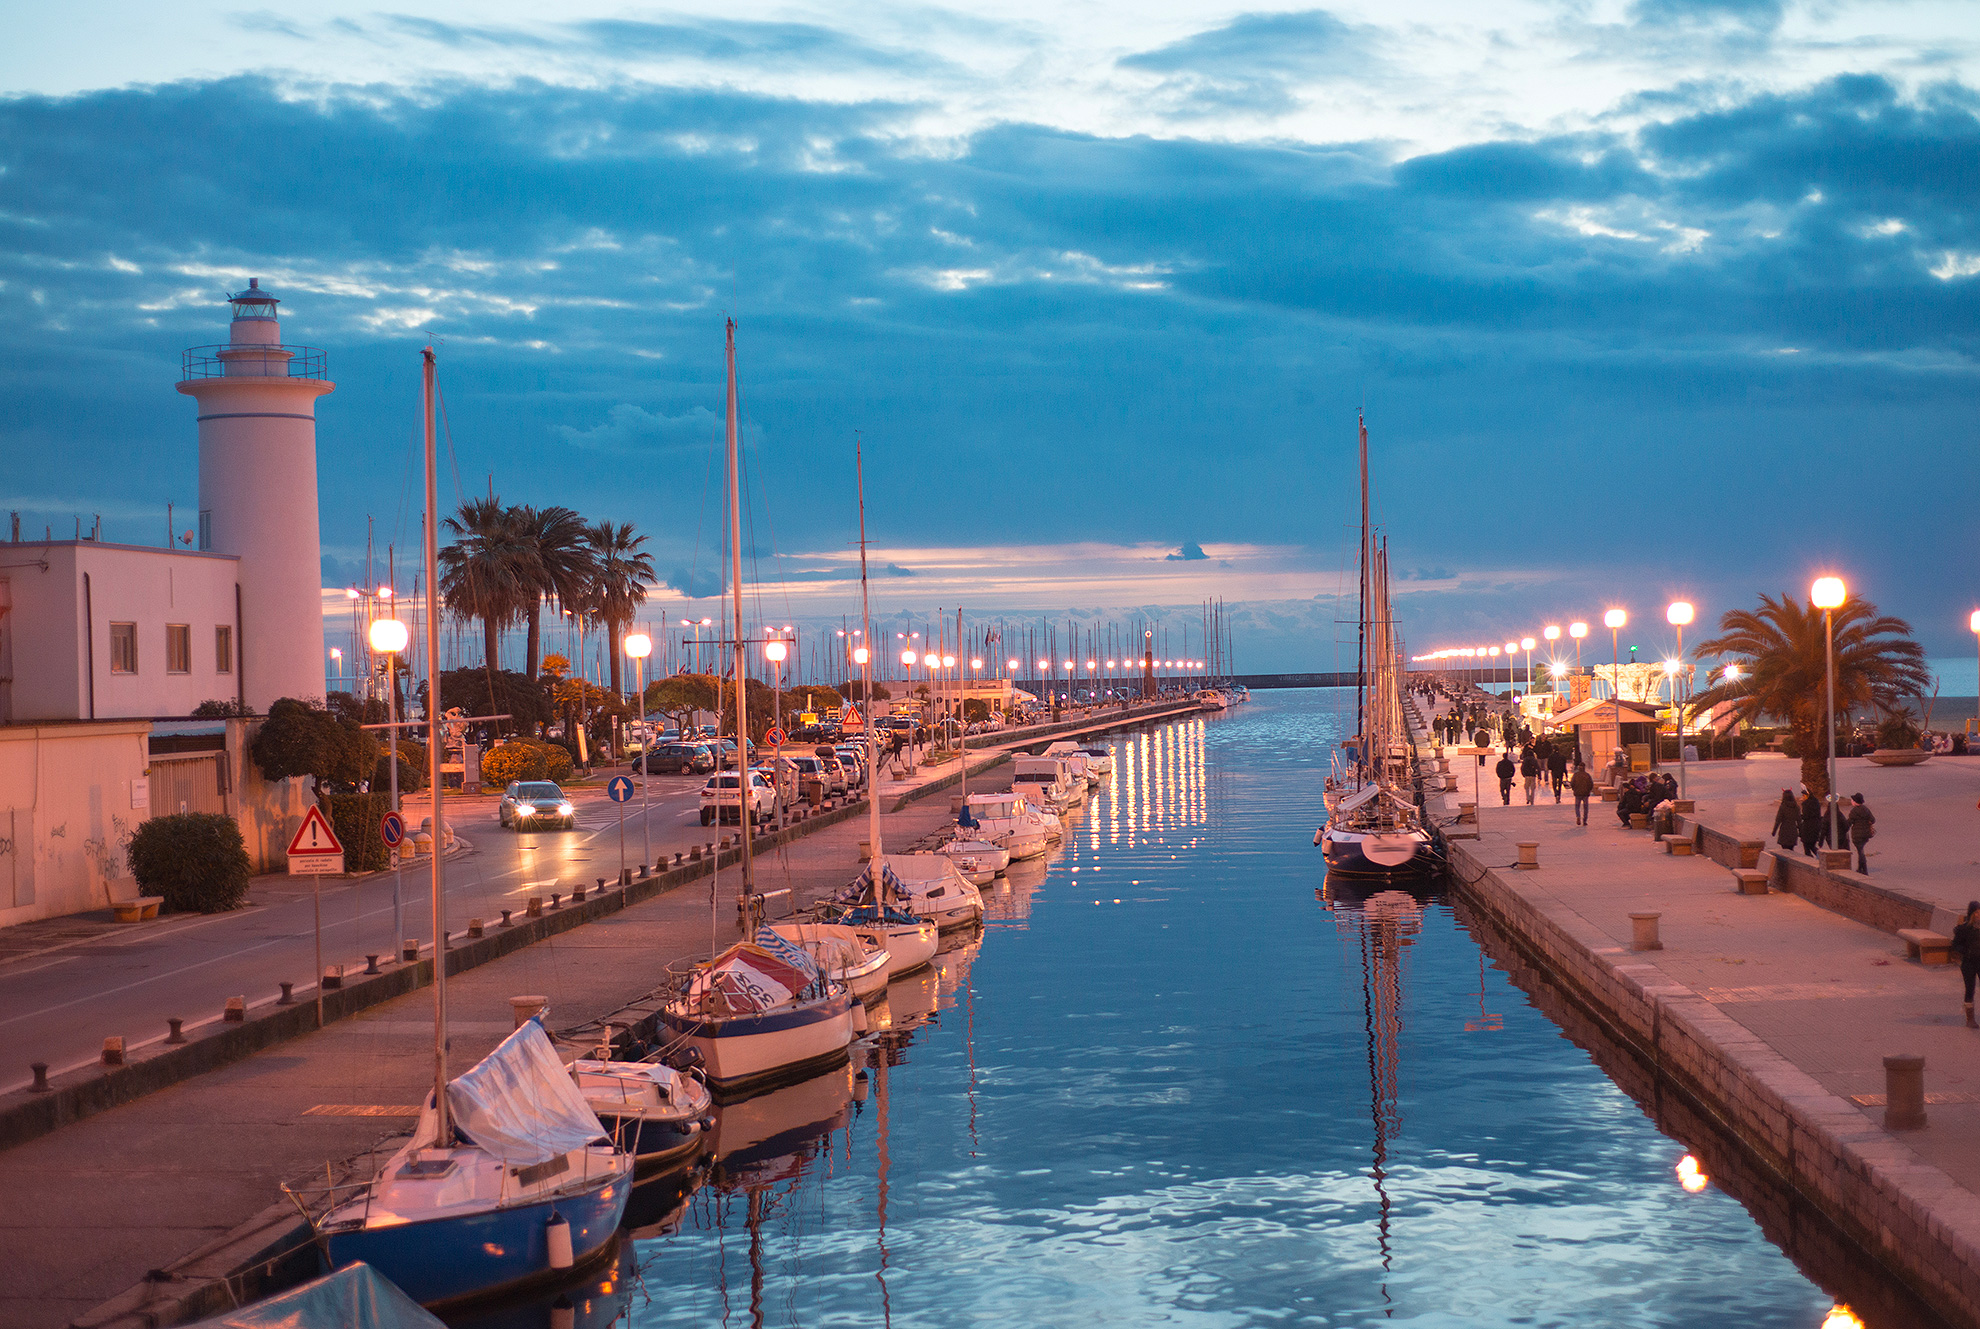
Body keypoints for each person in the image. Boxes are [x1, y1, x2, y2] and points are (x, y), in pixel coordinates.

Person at [1955, 902, 1980, 1029]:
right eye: (1976, 912)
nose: (1979, 915)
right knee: (1970, 989)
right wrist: (1966, 951)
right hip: (1968, 963)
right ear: (1971, 914)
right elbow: (1956, 944)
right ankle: (1970, 1019)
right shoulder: (1964, 929)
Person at [1846, 793, 1875, 873]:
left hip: (1857, 834)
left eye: (1852, 800)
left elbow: (1849, 822)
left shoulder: (1854, 811)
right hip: (1866, 834)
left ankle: (1864, 869)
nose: (1851, 801)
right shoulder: (1866, 809)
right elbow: (1873, 820)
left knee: (1860, 851)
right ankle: (1860, 868)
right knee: (1860, 850)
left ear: (1855, 802)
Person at [1798, 790, 1823, 858]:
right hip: (1816, 827)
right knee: (1812, 846)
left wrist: (1799, 816)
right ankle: (1820, 857)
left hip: (1808, 829)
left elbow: (1806, 816)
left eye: (1803, 795)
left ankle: (1812, 861)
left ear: (1807, 796)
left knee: (1807, 848)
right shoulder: (1816, 802)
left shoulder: (1806, 804)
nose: (1802, 797)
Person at [1570, 761, 1594, 826]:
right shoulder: (1587, 775)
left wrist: (1574, 789)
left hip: (1577, 793)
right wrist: (1589, 790)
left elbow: (1572, 783)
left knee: (1577, 806)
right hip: (1585, 793)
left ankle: (1578, 816)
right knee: (1585, 807)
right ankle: (1584, 820)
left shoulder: (1575, 775)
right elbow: (1591, 784)